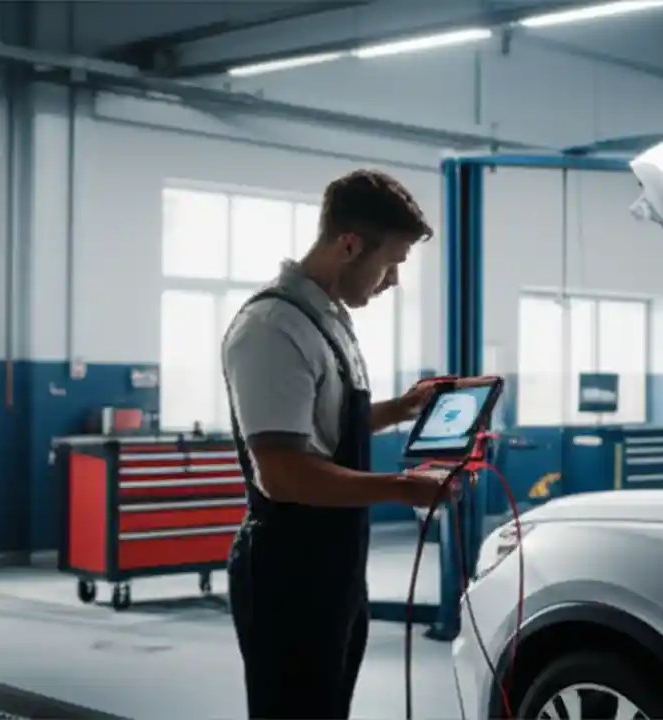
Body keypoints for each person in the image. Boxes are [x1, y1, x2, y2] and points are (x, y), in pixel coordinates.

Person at [220, 169, 451, 719]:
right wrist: (401, 488)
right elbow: (282, 471)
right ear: (349, 244)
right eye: (391, 261)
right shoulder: (274, 326)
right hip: (287, 569)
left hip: (336, 563)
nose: (393, 278)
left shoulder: (330, 320)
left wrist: (401, 409)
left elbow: (321, 430)